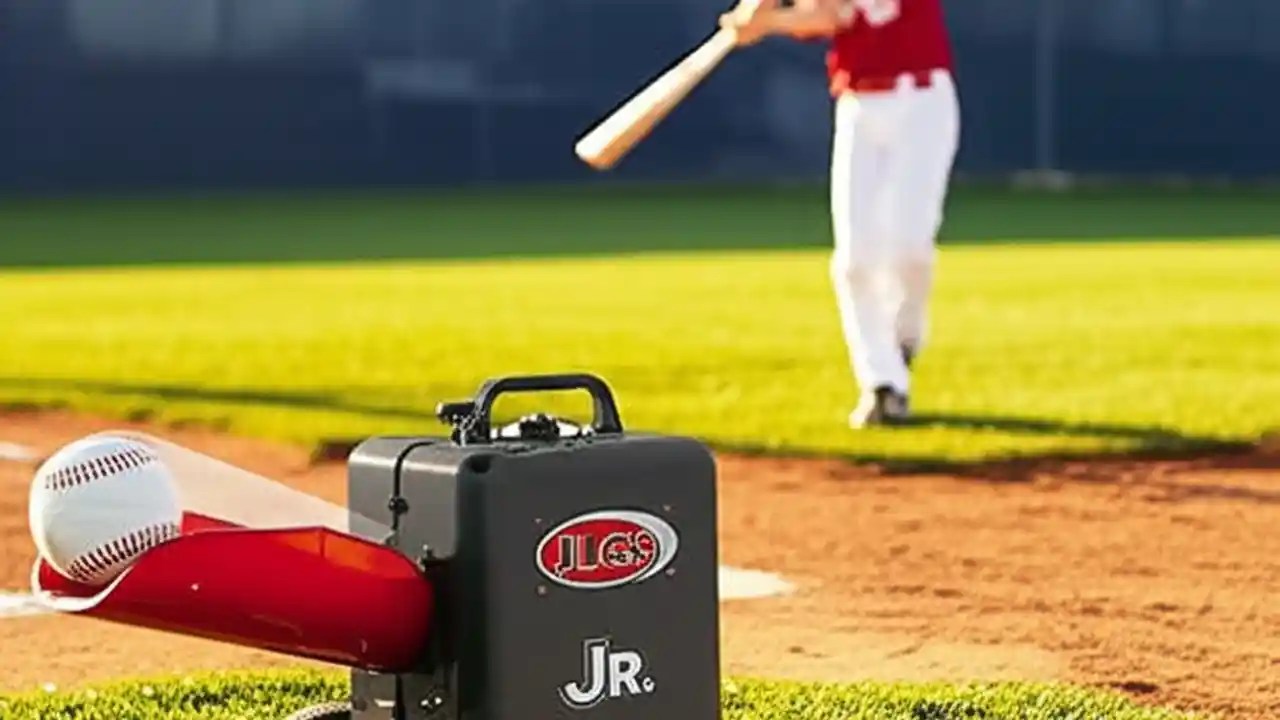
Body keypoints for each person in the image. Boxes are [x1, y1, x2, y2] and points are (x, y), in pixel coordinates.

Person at [720, 0, 961, 427]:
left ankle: (905, 335)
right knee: (854, 260)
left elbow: (839, 10)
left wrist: (765, 18)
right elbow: (824, 17)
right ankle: (883, 384)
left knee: (910, 245)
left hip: (922, 103)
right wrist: (760, 22)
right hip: (859, 106)